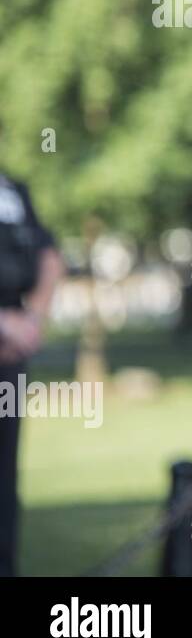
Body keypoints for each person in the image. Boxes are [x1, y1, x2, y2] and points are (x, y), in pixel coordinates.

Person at [0, 171, 64, 577]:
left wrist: (31, 321)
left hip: (10, 357)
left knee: (5, 481)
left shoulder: (13, 189)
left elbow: (51, 258)